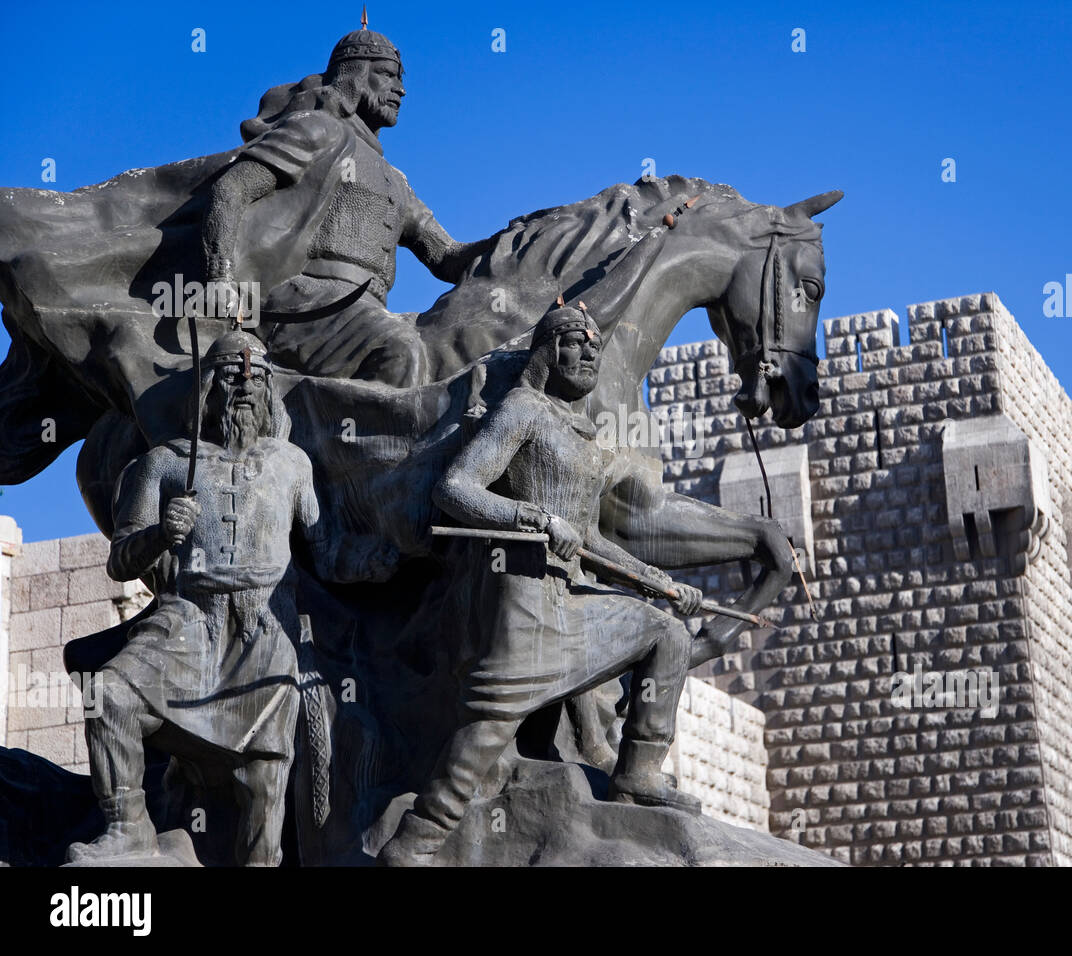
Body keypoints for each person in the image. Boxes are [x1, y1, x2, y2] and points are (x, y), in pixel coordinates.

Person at [379, 303, 704, 866]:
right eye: (575, 343)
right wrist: (530, 518)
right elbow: (456, 488)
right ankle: (413, 845)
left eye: (594, 346)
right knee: (488, 729)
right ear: (548, 352)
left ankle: (639, 771)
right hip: (521, 600)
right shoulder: (522, 409)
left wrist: (658, 582)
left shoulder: (581, 433)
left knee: (666, 632)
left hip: (570, 596)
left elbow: (587, 538)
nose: (588, 354)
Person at [67, 330, 396, 865]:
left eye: (258, 377)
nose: (245, 385)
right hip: (187, 619)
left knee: (265, 776)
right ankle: (127, 829)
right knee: (107, 696)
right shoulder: (165, 463)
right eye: (231, 374)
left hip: (265, 624)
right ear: (207, 388)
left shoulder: (292, 464)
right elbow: (121, 559)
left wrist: (377, 559)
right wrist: (159, 536)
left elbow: (326, 551)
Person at [201, 27, 491, 387]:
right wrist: (220, 277)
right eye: (386, 75)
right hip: (304, 303)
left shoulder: (395, 180)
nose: (400, 90)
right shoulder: (318, 130)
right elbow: (232, 188)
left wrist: (520, 235)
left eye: (400, 80)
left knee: (438, 350)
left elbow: (447, 256)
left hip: (364, 311)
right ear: (353, 74)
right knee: (401, 350)